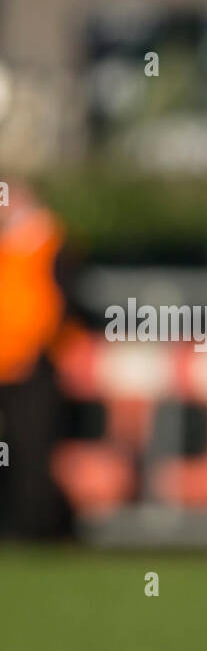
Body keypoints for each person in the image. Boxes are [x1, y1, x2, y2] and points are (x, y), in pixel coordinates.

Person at [0, 181, 73, 539]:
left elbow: (51, 308)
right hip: (9, 361)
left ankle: (39, 529)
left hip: (32, 363)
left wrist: (36, 348)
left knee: (31, 451)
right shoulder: (11, 246)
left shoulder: (47, 244)